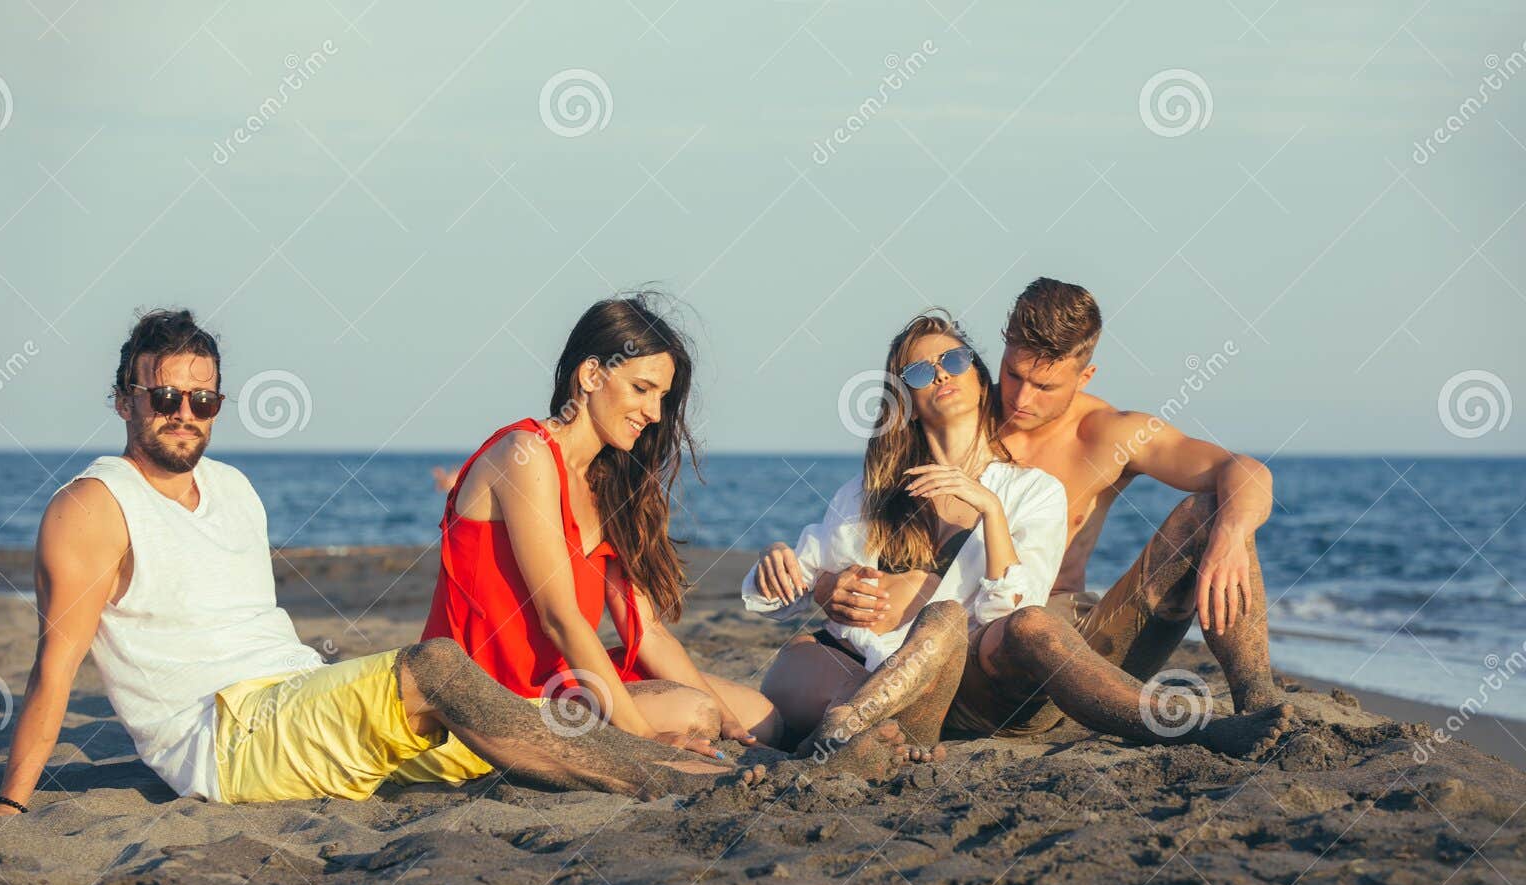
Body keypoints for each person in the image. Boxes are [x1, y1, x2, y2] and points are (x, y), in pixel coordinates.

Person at [0, 309, 769, 825]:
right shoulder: (92, 507)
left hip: (302, 701)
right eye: (162, 397)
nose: (183, 415)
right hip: (230, 738)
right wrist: (10, 804)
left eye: (203, 399)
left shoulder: (232, 491)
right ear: (123, 399)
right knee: (438, 667)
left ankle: (696, 762)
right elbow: (54, 667)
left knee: (642, 712)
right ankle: (670, 783)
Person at [814, 278, 1294, 758]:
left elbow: (1245, 473)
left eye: (1045, 386)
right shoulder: (959, 411)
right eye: (1014, 374)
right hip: (984, 659)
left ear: (1084, 377)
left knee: (1213, 511)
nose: (1022, 399)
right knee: (1029, 624)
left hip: (1087, 649)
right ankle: (1187, 726)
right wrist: (827, 586)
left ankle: (1259, 702)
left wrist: (1230, 537)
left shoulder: (1108, 435)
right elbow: (874, 519)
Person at [424, 295, 786, 755]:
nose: (655, 413)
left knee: (761, 719)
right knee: (696, 713)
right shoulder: (527, 454)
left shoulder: (607, 484)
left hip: (564, 684)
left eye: (662, 396)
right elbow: (560, 619)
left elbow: (647, 631)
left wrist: (736, 729)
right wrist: (644, 738)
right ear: (591, 375)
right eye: (642, 388)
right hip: (492, 698)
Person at [745, 310, 1068, 752]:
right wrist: (791, 567)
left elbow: (1012, 618)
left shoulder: (1034, 492)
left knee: (944, 624)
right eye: (919, 372)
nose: (939, 374)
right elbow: (775, 599)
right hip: (839, 658)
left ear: (978, 378)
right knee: (821, 688)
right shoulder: (867, 492)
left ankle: (851, 733)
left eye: (953, 360)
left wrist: (990, 510)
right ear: (906, 403)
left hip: (938, 678)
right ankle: (851, 731)